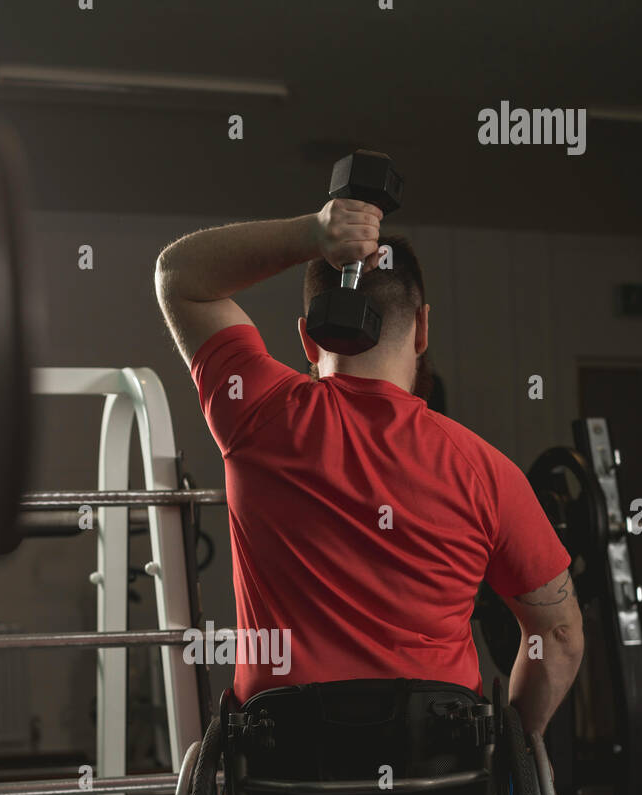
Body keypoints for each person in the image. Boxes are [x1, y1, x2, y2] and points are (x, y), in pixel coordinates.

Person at [154, 197, 584, 737]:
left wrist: (314, 233)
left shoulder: (259, 414)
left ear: (308, 338)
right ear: (422, 332)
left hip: (282, 777)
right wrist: (519, 749)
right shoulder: (487, 471)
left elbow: (179, 275)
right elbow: (561, 636)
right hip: (436, 781)